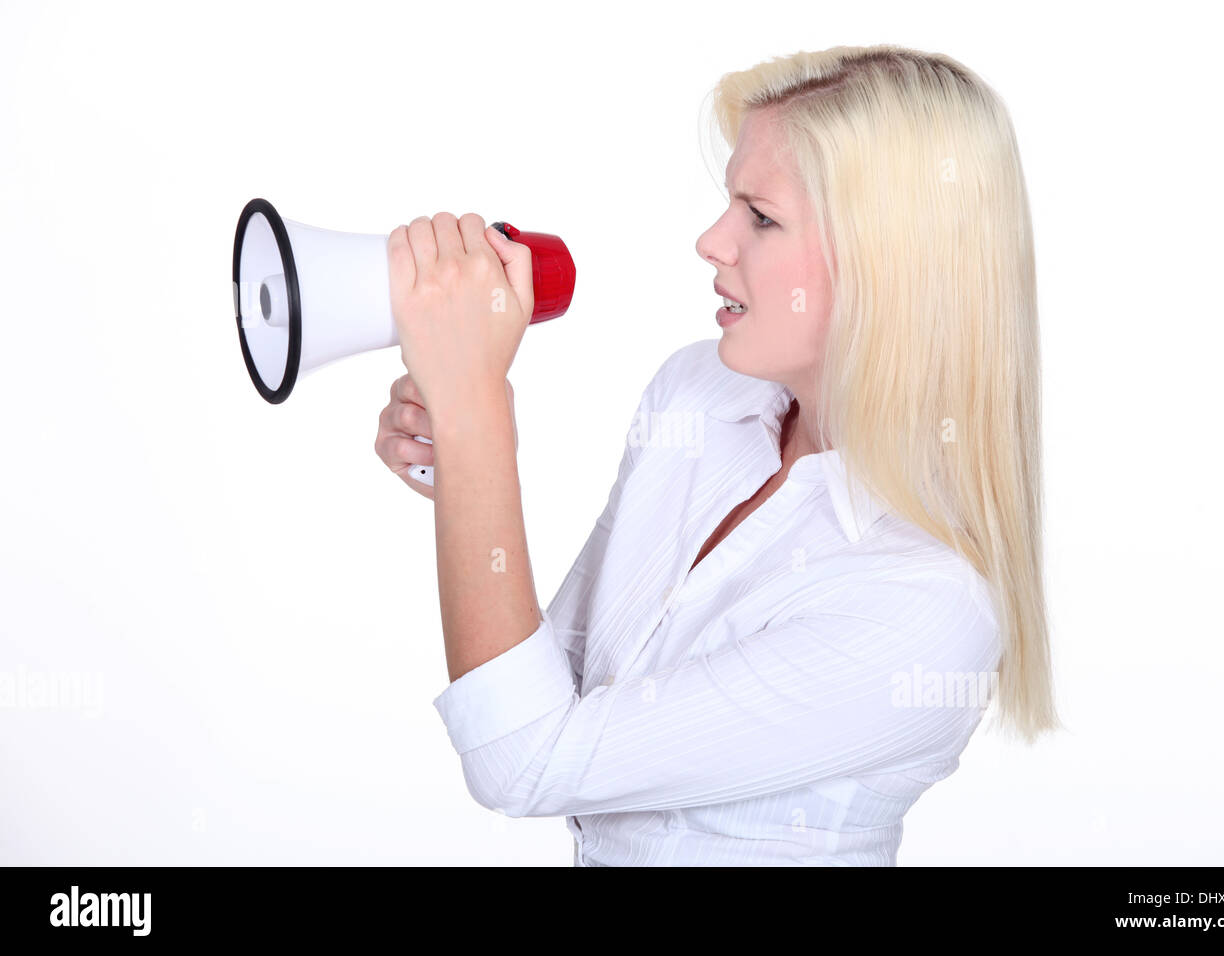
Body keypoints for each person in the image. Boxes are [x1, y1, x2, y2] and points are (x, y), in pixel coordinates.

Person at [374, 43, 1060, 866]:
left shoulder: (925, 608)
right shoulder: (699, 397)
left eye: (760, 217)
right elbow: (546, 690)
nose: (711, 240)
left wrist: (475, 414)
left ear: (889, 265)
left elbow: (527, 761)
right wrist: (466, 453)